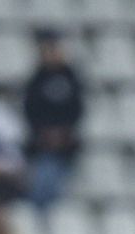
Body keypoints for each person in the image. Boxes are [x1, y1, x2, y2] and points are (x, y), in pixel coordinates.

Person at [21, 29, 86, 211]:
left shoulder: (71, 77)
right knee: (43, 176)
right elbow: (30, 109)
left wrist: (64, 132)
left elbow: (77, 108)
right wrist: (45, 132)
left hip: (65, 144)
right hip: (42, 144)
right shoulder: (37, 78)